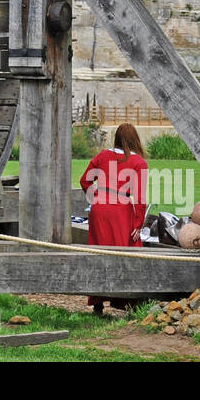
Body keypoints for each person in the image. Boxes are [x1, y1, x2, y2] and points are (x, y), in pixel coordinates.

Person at [79, 122, 149, 314]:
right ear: (135, 140)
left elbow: (85, 180)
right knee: (128, 251)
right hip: (120, 210)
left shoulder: (102, 155)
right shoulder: (138, 163)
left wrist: (95, 197)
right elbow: (140, 197)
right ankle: (127, 302)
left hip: (99, 209)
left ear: (117, 138)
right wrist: (138, 223)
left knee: (99, 252)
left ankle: (98, 302)